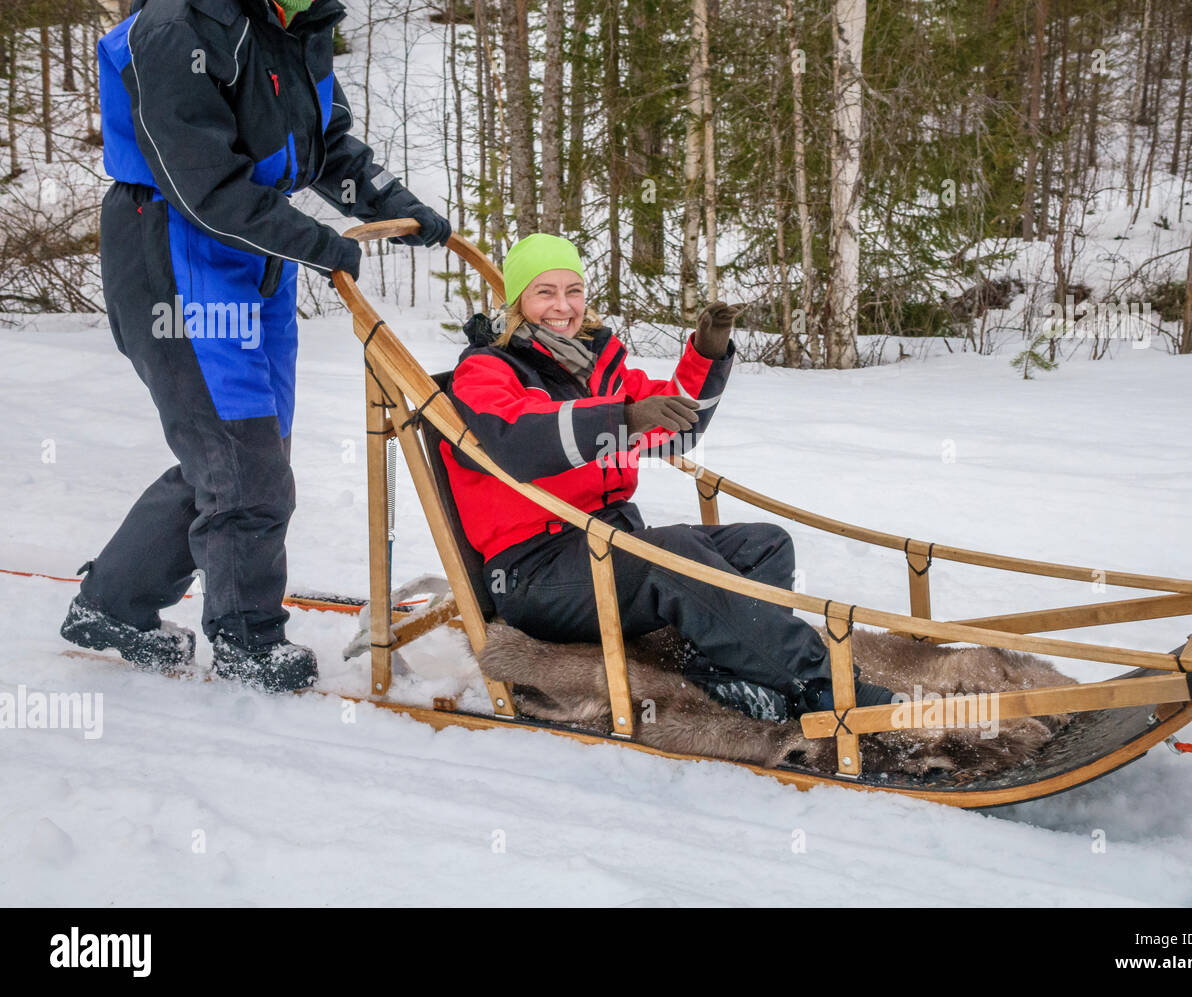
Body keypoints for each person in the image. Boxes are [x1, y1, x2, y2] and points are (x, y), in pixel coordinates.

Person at [59, 0, 451, 692]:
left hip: (254, 254)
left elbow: (326, 146)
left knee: (244, 452)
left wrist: (392, 203)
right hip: (176, 246)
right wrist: (322, 246)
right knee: (241, 460)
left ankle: (112, 604)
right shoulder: (176, 29)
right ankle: (247, 640)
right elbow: (204, 187)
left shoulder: (297, 27)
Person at [443, 234, 893, 721]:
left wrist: (707, 352)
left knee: (765, 543)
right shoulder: (487, 369)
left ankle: (724, 677)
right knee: (673, 554)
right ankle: (823, 687)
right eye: (545, 291)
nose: (563, 305)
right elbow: (520, 441)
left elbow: (676, 429)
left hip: (606, 544)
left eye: (573, 290)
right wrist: (624, 417)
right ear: (517, 302)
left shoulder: (596, 366)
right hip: (536, 573)